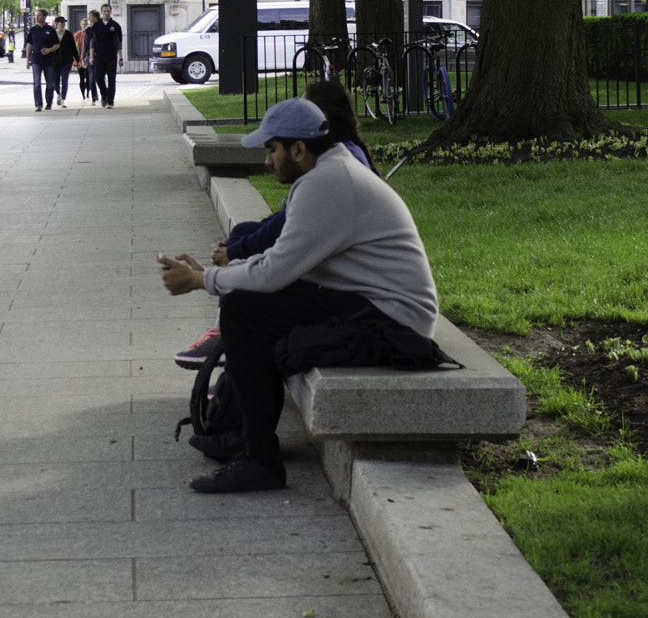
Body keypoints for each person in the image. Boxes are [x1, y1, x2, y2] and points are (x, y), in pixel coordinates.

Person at [158, 97, 439, 494]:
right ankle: (245, 435)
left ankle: (259, 460)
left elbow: (274, 272)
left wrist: (202, 281)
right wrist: (212, 274)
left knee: (243, 311)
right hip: (370, 302)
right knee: (252, 306)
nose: (269, 162)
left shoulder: (326, 184)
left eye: (272, 150)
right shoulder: (328, 171)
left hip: (393, 320)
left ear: (299, 149)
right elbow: (279, 262)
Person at [217, 80, 372, 262]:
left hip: (353, 266)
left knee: (243, 284)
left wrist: (223, 263)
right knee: (243, 233)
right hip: (343, 257)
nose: (267, 161)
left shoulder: (335, 167)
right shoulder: (334, 157)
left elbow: (276, 261)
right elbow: (289, 215)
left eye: (273, 150)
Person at [86, 3, 124, 108]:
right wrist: (92, 57)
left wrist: (121, 57)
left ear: (110, 12)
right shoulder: (96, 25)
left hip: (111, 56)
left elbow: (119, 43)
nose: (106, 13)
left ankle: (110, 101)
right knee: (98, 78)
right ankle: (104, 95)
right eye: (104, 11)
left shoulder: (115, 26)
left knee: (112, 79)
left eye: (108, 11)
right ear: (101, 12)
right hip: (99, 56)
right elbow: (92, 42)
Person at [25, 11, 57, 110]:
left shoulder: (51, 30)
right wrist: (28, 59)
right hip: (36, 60)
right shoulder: (33, 30)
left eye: (38, 15)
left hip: (48, 60)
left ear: (44, 17)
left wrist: (49, 50)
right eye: (36, 16)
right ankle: (38, 104)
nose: (36, 17)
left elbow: (57, 44)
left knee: (50, 83)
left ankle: (49, 102)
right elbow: (29, 45)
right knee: (37, 83)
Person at [52, 18, 80, 109]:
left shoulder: (68, 34)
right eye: (61, 23)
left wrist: (78, 60)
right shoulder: (53, 34)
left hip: (67, 61)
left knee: (64, 80)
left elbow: (73, 48)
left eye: (64, 23)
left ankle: (63, 99)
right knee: (55, 82)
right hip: (55, 62)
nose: (63, 24)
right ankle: (59, 94)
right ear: (56, 23)